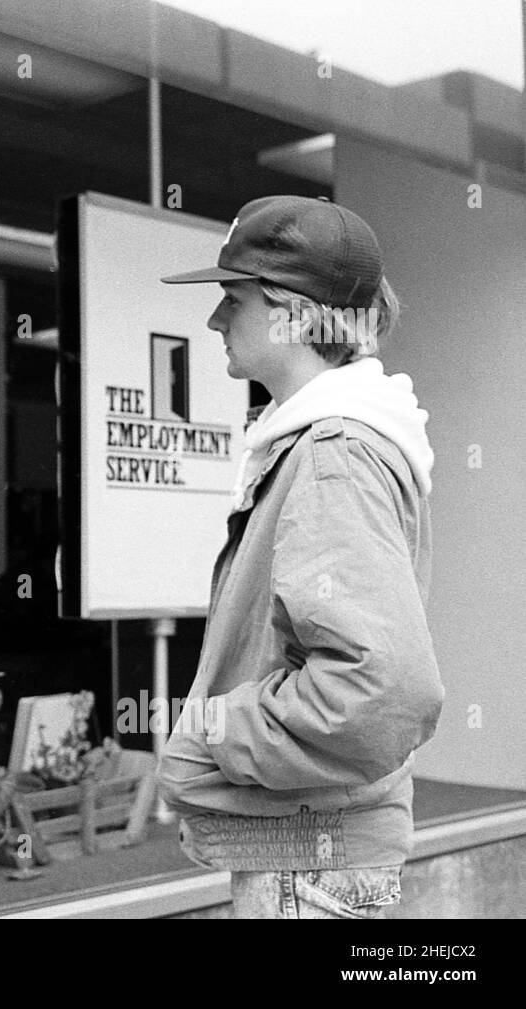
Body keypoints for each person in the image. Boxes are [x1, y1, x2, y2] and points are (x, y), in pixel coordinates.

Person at [155, 195, 443, 919]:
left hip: (307, 870)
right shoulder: (329, 444)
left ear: (291, 310)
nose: (216, 319)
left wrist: (210, 735)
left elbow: (381, 693)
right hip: (311, 862)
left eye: (231, 297)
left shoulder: (333, 455)